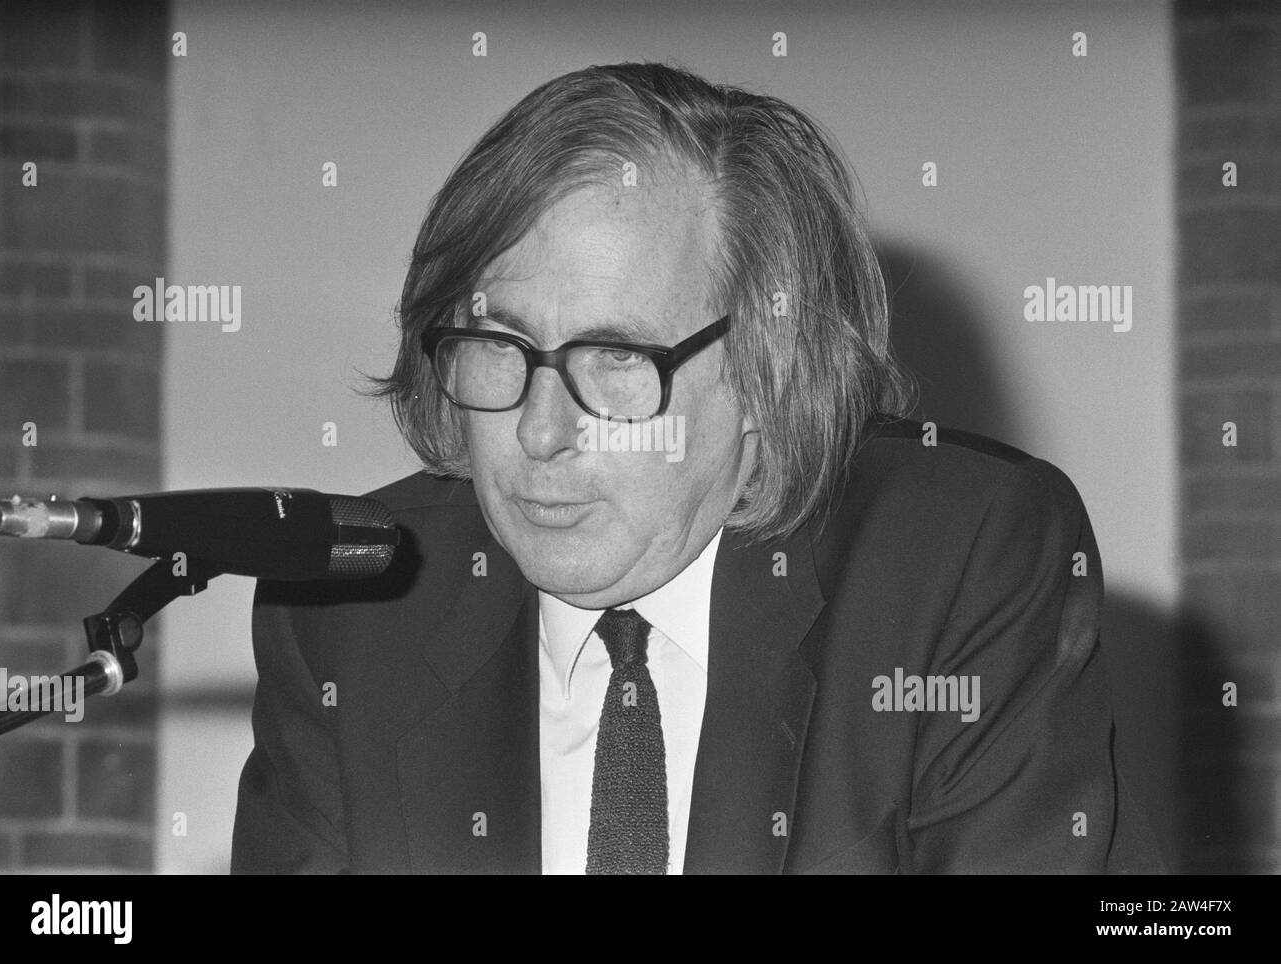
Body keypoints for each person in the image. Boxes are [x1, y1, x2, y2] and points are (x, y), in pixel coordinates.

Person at [231, 62, 1161, 874]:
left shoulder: (956, 564)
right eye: (497, 343)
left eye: (620, 360)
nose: (541, 432)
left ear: (769, 370)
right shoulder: (351, 608)